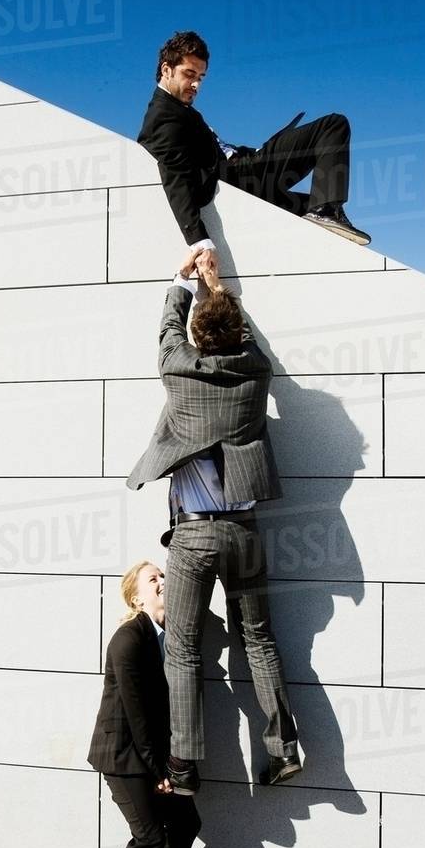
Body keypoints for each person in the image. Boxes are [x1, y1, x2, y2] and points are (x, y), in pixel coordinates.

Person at [127, 260, 301, 797]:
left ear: (199, 338)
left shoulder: (181, 373)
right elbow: (246, 341)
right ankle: (283, 750)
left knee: (182, 647)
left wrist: (184, 284)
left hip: (196, 535)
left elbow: (166, 334)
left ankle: (183, 768)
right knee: (260, 639)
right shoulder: (255, 372)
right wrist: (219, 289)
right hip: (245, 531)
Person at [137, 29, 371, 282]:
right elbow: (175, 176)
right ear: (166, 69)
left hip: (246, 169)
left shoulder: (178, 110)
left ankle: (322, 221)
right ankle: (326, 209)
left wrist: (250, 151)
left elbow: (214, 152)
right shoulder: (162, 116)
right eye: (189, 74)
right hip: (243, 176)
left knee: (307, 208)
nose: (196, 84)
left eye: (201, 77)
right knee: (332, 126)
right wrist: (199, 241)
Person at [87, 560, 201, 848]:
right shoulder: (129, 638)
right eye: (153, 578)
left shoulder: (164, 637)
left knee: (186, 822)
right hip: (122, 756)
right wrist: (160, 772)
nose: (163, 581)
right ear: (136, 597)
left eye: (164, 576)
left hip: (148, 755)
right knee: (150, 837)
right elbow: (137, 716)